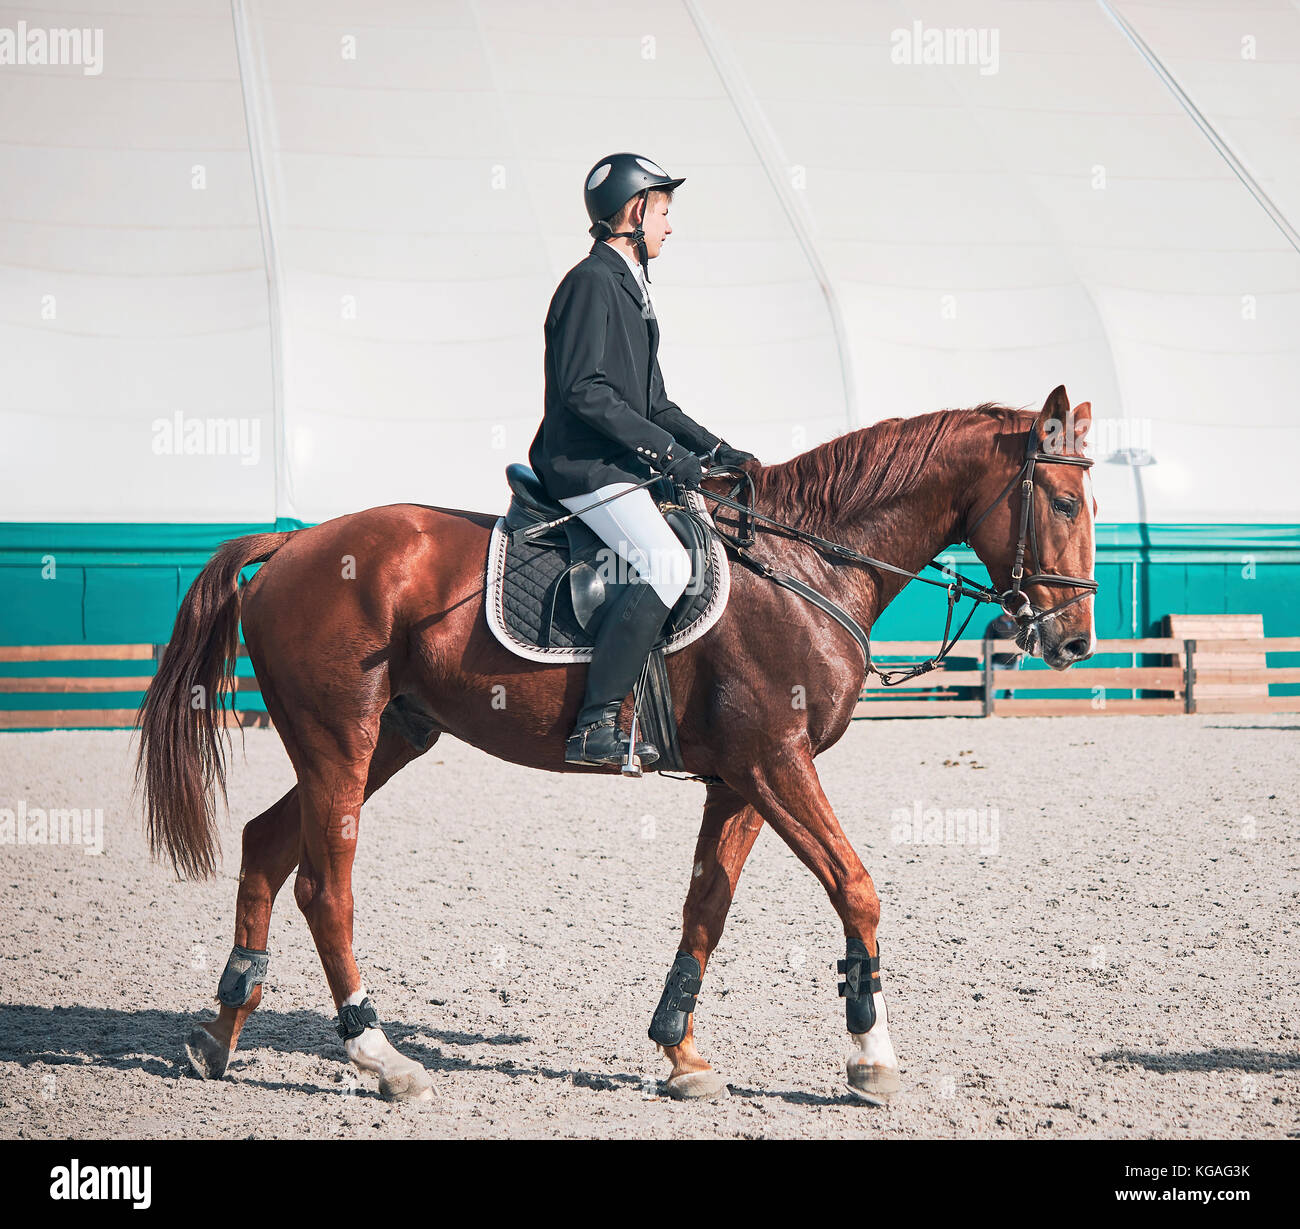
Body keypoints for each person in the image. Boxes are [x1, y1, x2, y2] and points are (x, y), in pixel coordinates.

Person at [528, 153, 758, 768]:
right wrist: (668, 457)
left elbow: (654, 402)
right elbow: (585, 390)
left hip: (618, 468)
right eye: (663, 212)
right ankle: (594, 725)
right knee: (664, 563)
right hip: (583, 467)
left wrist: (715, 450)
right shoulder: (590, 281)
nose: (669, 227)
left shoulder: (631, 287)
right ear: (634, 212)